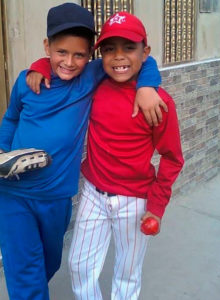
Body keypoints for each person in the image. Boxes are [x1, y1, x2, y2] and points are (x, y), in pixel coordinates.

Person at [0, 3, 164, 300]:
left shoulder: (89, 77)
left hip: (56, 197)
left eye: (80, 54)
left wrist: (148, 86)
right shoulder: (26, 81)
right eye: (61, 52)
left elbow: (138, 59)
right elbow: (11, 117)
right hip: (15, 192)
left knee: (49, 262)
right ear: (47, 46)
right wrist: (1, 147)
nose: (70, 62)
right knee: (24, 271)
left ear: (90, 56)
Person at [66, 12, 184, 300]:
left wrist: (156, 206)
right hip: (94, 194)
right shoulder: (94, 87)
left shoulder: (158, 102)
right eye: (109, 49)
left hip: (134, 201)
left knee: (127, 272)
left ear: (146, 52)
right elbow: (66, 60)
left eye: (129, 47)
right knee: (79, 265)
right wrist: (37, 67)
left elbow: (172, 157)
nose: (118, 57)